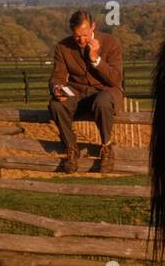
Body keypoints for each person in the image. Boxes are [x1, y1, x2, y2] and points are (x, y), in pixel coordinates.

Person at [48, 9, 123, 173]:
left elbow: (115, 80)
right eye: (77, 36)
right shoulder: (63, 47)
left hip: (106, 92)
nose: (81, 40)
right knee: (56, 105)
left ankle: (106, 149)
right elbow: (57, 77)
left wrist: (96, 59)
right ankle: (71, 149)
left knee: (102, 102)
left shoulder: (111, 43)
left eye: (85, 35)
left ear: (93, 27)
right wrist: (57, 89)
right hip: (78, 94)